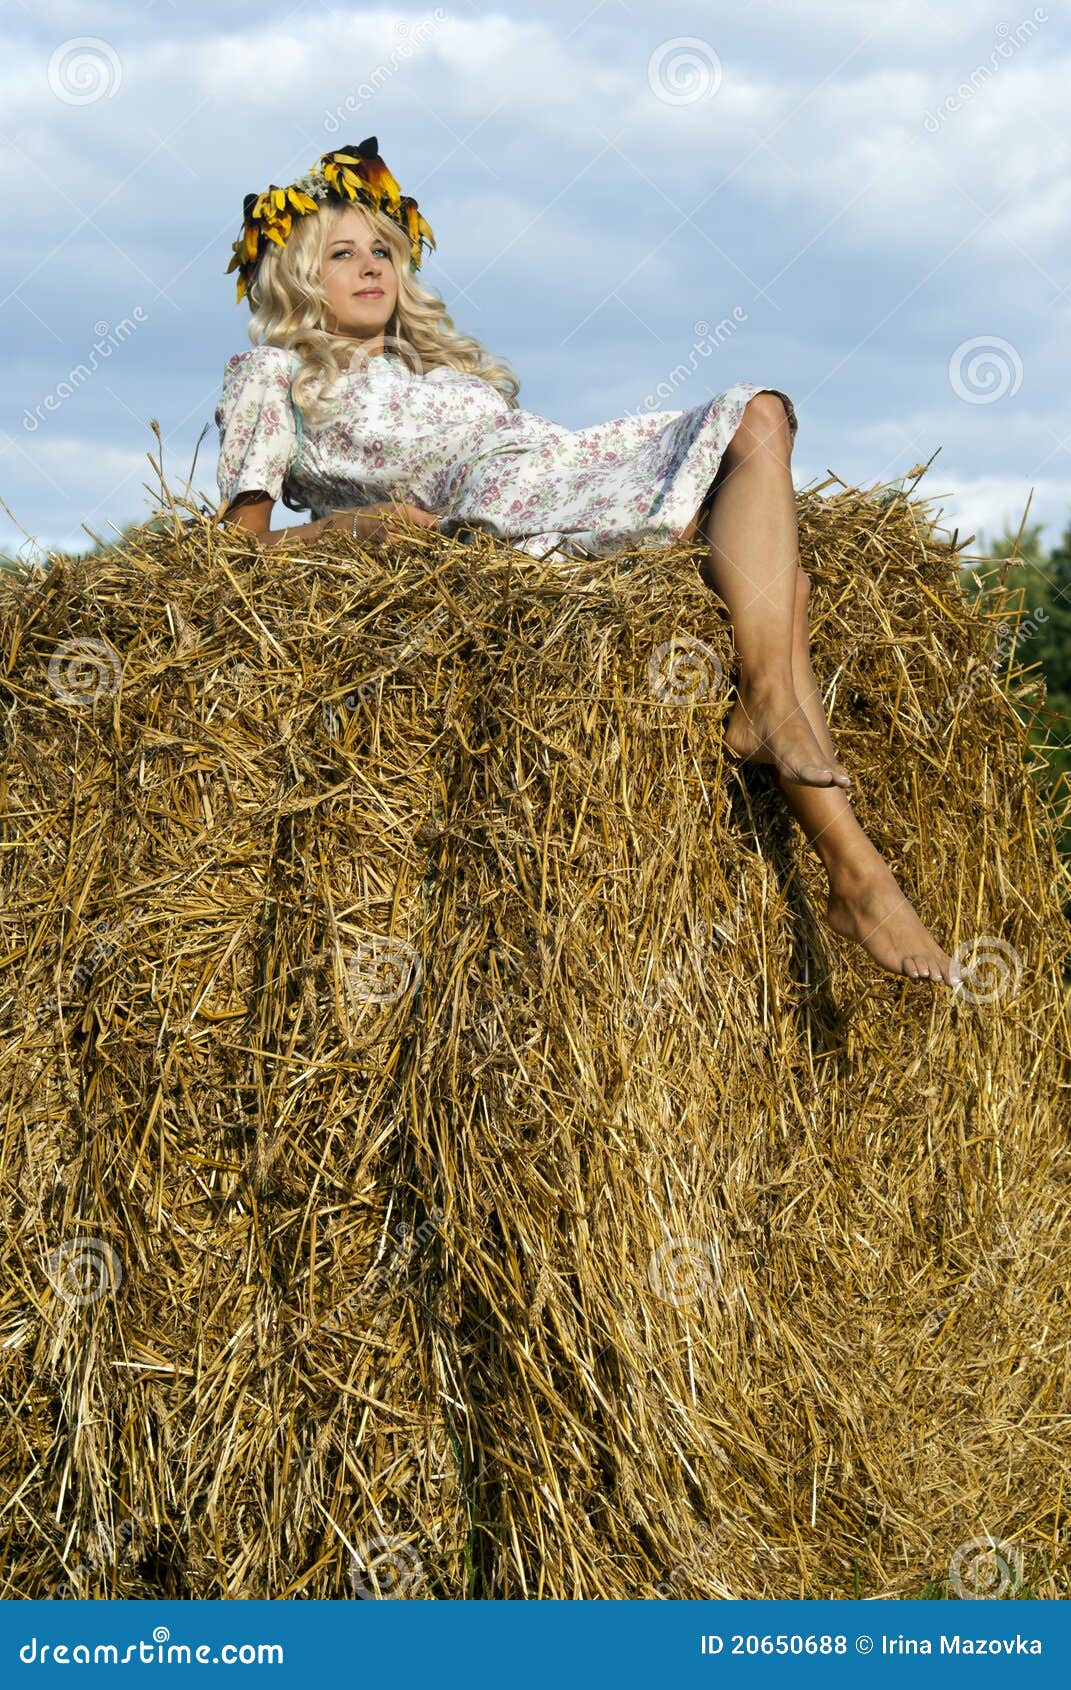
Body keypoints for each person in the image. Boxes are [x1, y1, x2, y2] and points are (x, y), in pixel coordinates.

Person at [214, 137, 963, 989]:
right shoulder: (268, 375)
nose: (370, 265)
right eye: (340, 254)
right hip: (498, 515)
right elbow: (239, 550)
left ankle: (799, 768)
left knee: (761, 429)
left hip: (560, 468)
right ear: (295, 278)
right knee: (775, 575)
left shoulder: (440, 371)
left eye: (381, 248)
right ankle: (856, 869)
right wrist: (352, 530)